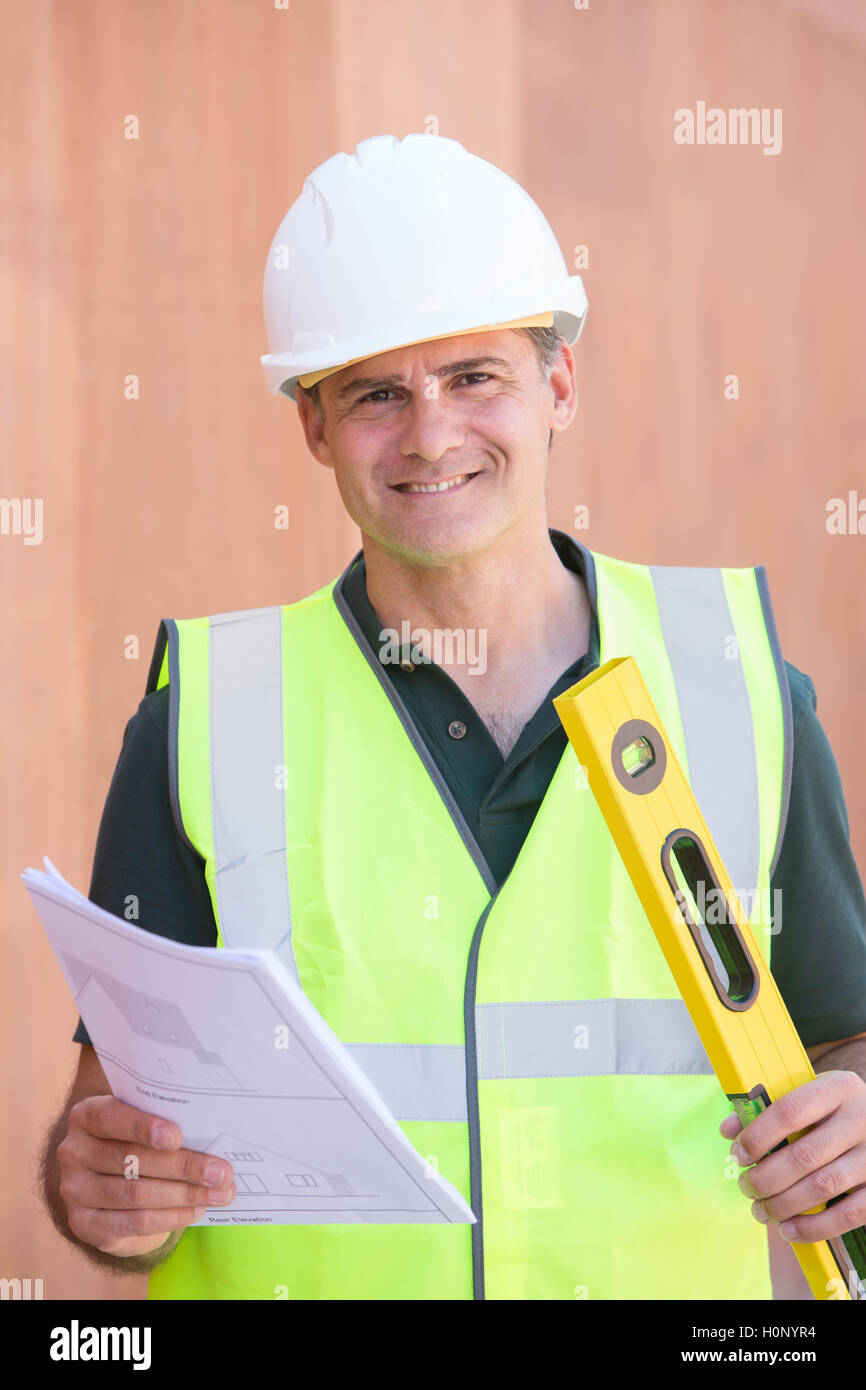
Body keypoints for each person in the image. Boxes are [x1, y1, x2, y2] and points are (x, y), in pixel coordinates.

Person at [41, 134, 866, 1300]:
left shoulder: (734, 690)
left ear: (558, 386)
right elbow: (111, 1141)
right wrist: (105, 1197)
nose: (429, 434)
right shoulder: (201, 722)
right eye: (375, 392)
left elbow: (841, 1033)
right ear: (314, 429)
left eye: (474, 375)